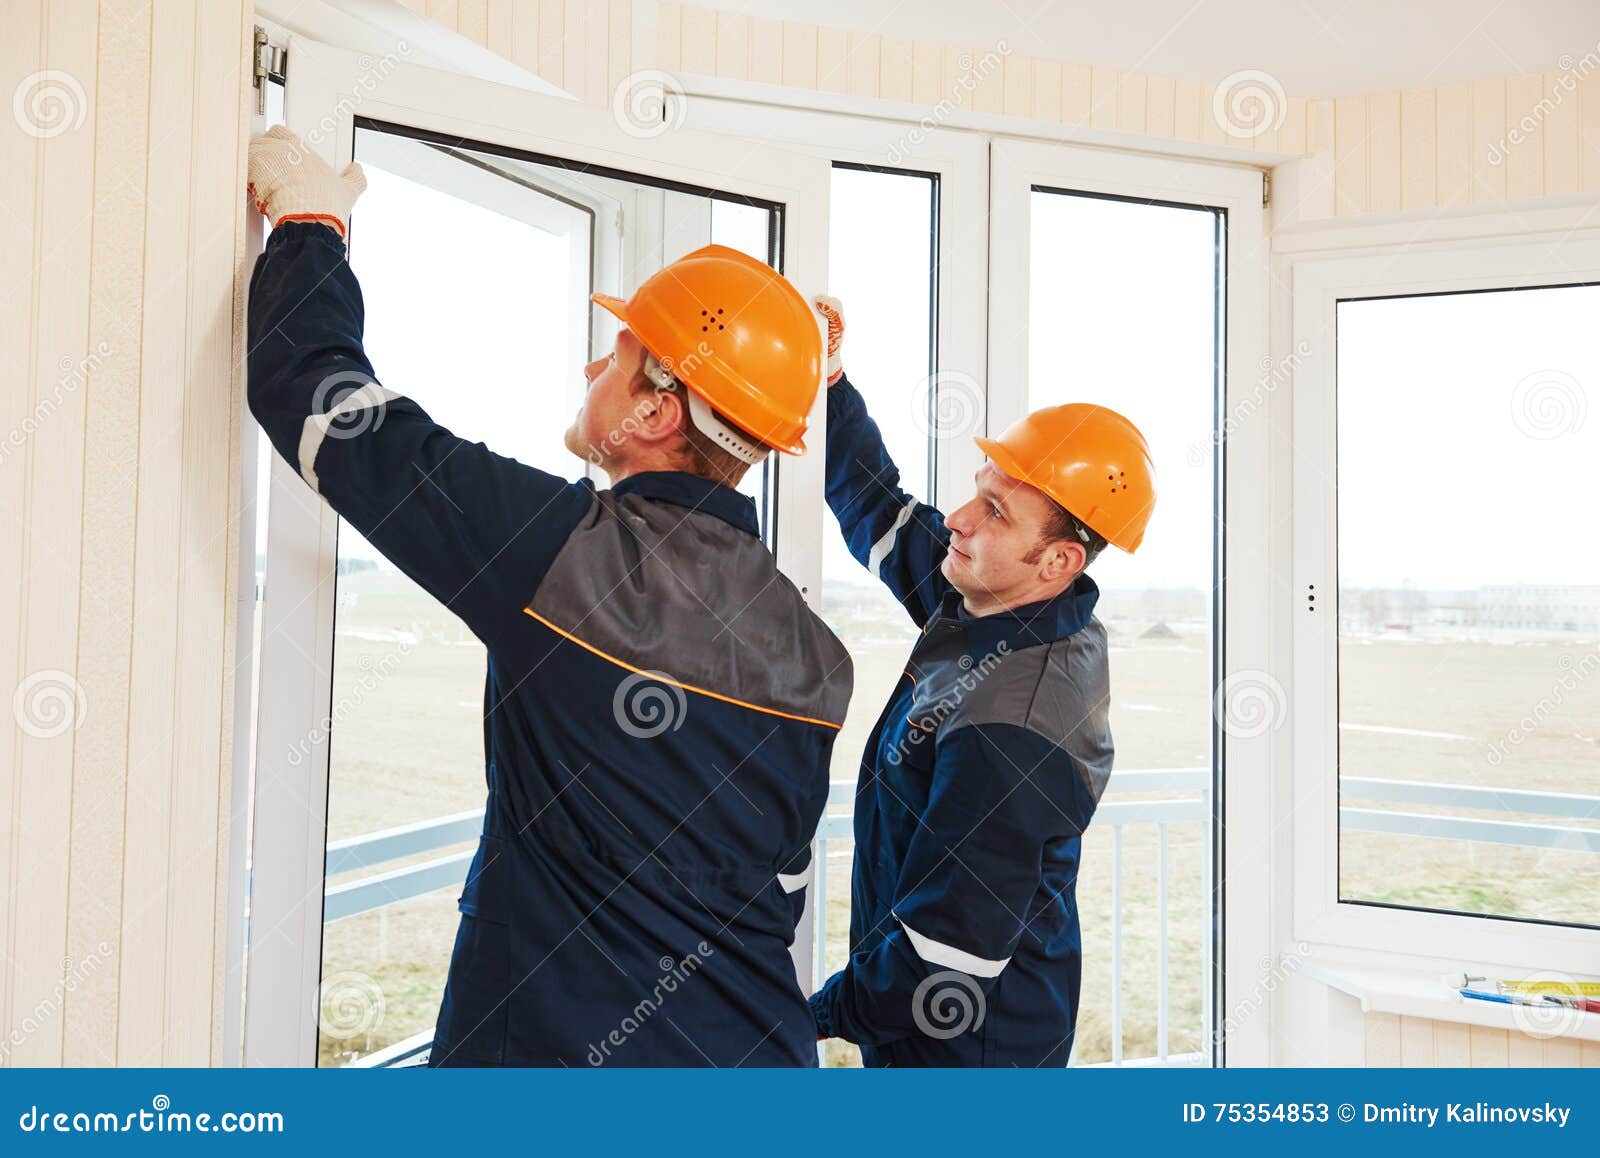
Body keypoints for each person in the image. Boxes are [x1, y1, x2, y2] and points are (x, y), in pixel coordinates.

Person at [245, 126, 852, 1067]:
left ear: (656, 410)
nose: (590, 371)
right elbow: (778, 883)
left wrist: (310, 224)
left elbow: (325, 407)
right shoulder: (818, 653)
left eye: (615, 357)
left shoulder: (560, 554)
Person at [808, 296, 1154, 1066]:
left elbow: (939, 960)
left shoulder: (1014, 728)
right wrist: (827, 380)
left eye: (994, 510)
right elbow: (878, 507)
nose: (959, 517)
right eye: (978, 488)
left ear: (1058, 559)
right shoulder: (1004, 606)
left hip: (970, 1052)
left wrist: (806, 1014)